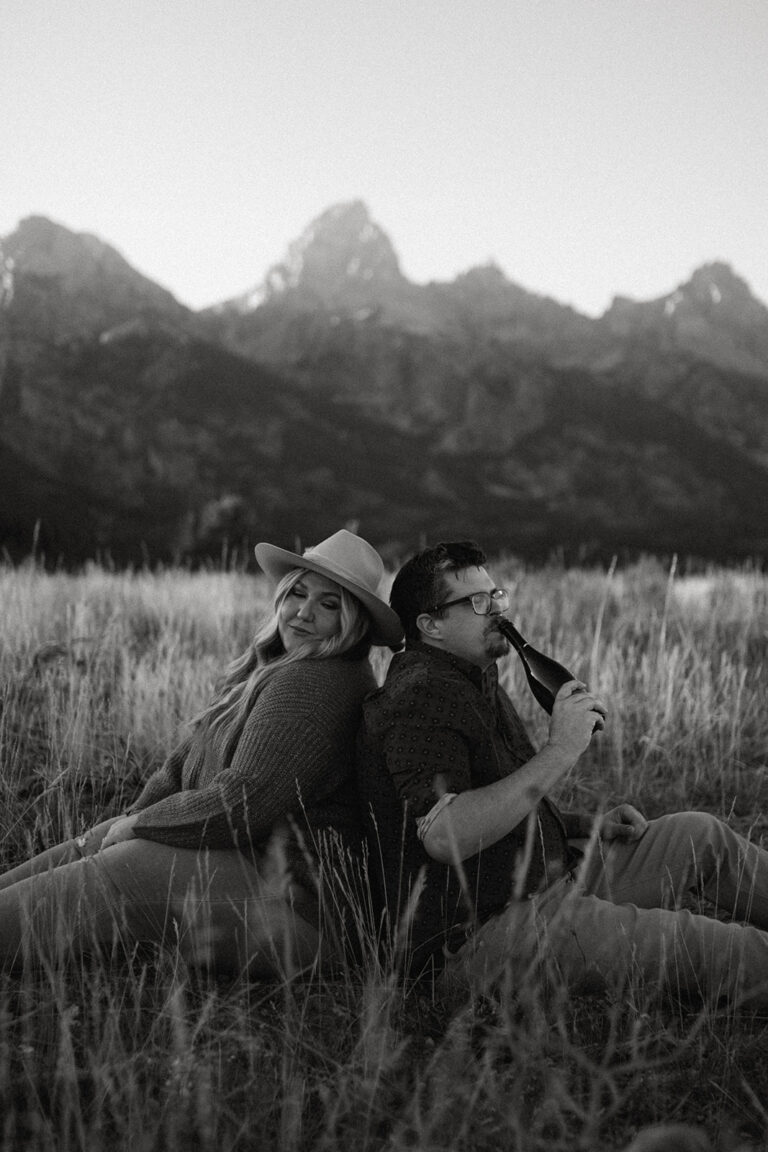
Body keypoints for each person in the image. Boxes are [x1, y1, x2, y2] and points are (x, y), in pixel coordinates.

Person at [356, 540, 768, 1009]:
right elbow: (445, 835)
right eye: (475, 602)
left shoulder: (472, 673)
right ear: (430, 625)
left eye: (496, 596)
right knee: (714, 946)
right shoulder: (420, 695)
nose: (496, 610)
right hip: (482, 934)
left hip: (547, 877)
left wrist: (577, 825)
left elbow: (496, 797)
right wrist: (562, 747)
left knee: (703, 836)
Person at [0, 529, 403, 978]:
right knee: (97, 842)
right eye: (298, 594)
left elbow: (244, 801)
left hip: (300, 910)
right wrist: (134, 818)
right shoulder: (277, 667)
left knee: (119, 866)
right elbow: (180, 766)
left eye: (329, 605)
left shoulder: (316, 685)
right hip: (243, 862)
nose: (304, 613)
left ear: (355, 623)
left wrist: (141, 826)